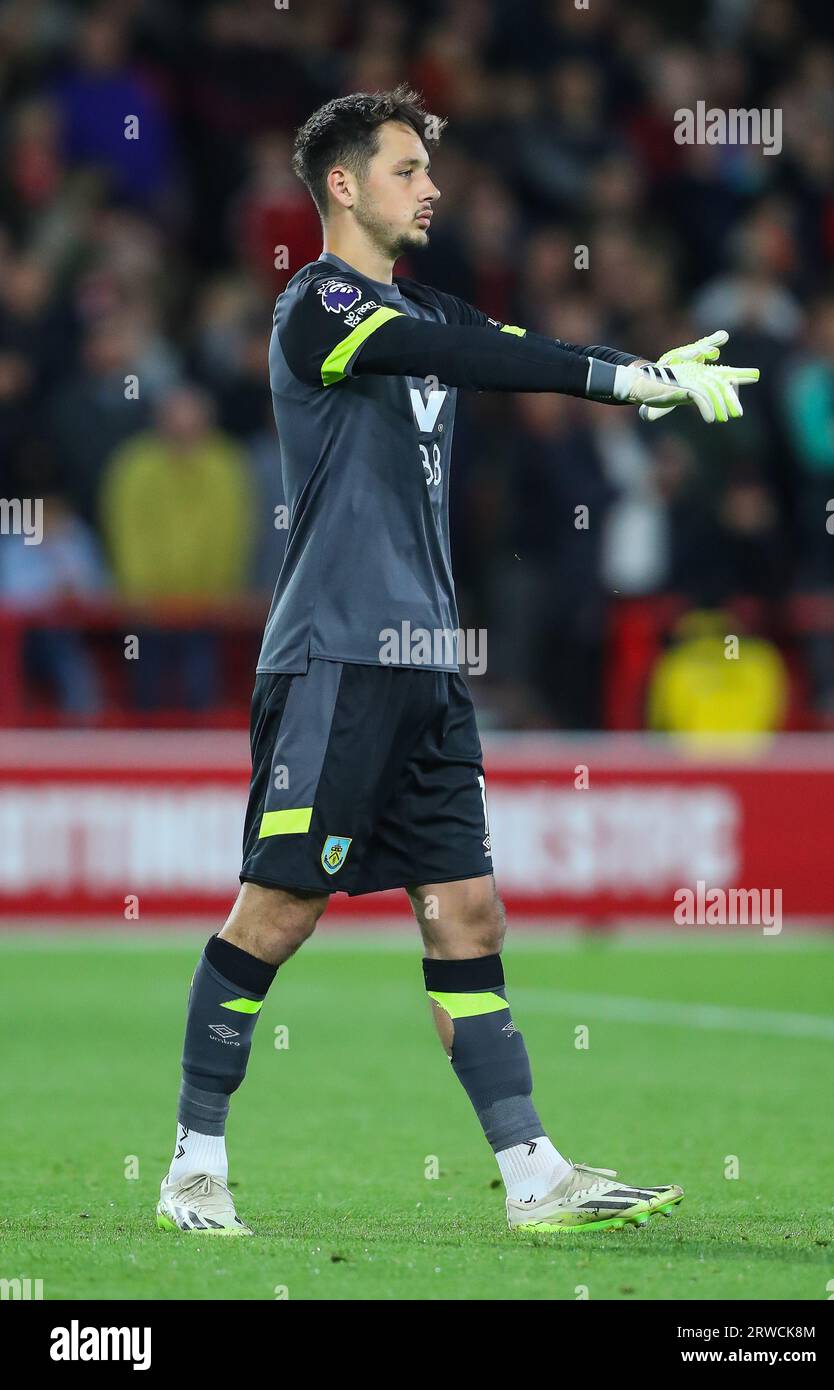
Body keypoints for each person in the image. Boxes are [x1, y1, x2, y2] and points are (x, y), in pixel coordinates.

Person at [156, 86, 759, 1237]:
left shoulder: (426, 309)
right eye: (404, 168)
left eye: (427, 170)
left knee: (468, 913)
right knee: (278, 911)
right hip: (333, 658)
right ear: (341, 184)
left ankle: (531, 1173)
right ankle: (193, 1161)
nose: (430, 186)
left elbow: (496, 347)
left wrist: (647, 369)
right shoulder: (318, 307)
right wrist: (626, 381)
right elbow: (462, 354)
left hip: (426, 668)